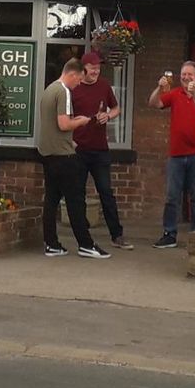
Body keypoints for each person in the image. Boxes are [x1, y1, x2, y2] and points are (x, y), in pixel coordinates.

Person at [37, 57, 107, 259]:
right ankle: (86, 244)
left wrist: (70, 139)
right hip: (63, 156)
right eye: (79, 80)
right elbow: (64, 124)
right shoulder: (64, 92)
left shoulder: (49, 90)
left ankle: (51, 244)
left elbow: (53, 125)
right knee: (75, 201)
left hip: (48, 153)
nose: (78, 84)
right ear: (73, 74)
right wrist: (82, 121)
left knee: (51, 200)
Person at [148, 61, 195, 248]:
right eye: (183, 74)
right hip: (176, 154)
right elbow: (154, 103)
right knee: (172, 197)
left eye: (190, 74)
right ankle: (169, 234)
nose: (186, 77)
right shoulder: (175, 93)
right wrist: (159, 88)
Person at [70, 50, 127, 248]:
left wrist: (108, 116)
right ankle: (83, 236)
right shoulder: (74, 87)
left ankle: (117, 234)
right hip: (78, 148)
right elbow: (65, 117)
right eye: (92, 67)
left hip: (100, 148)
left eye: (98, 67)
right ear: (83, 68)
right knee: (78, 193)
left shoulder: (104, 86)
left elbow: (116, 108)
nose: (95, 71)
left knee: (106, 191)